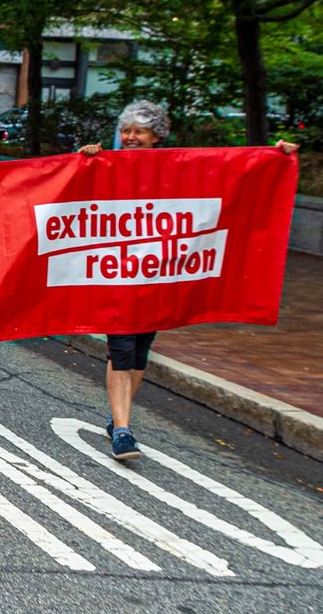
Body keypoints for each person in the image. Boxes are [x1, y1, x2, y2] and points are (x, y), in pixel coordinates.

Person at [78, 100, 301, 460]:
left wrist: (277, 156)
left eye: (139, 131)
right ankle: (122, 430)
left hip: (158, 276)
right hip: (117, 275)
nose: (131, 137)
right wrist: (85, 157)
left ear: (156, 136)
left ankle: (118, 416)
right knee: (120, 350)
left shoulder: (178, 167)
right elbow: (74, 189)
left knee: (138, 352)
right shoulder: (105, 163)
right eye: (127, 130)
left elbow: (228, 169)